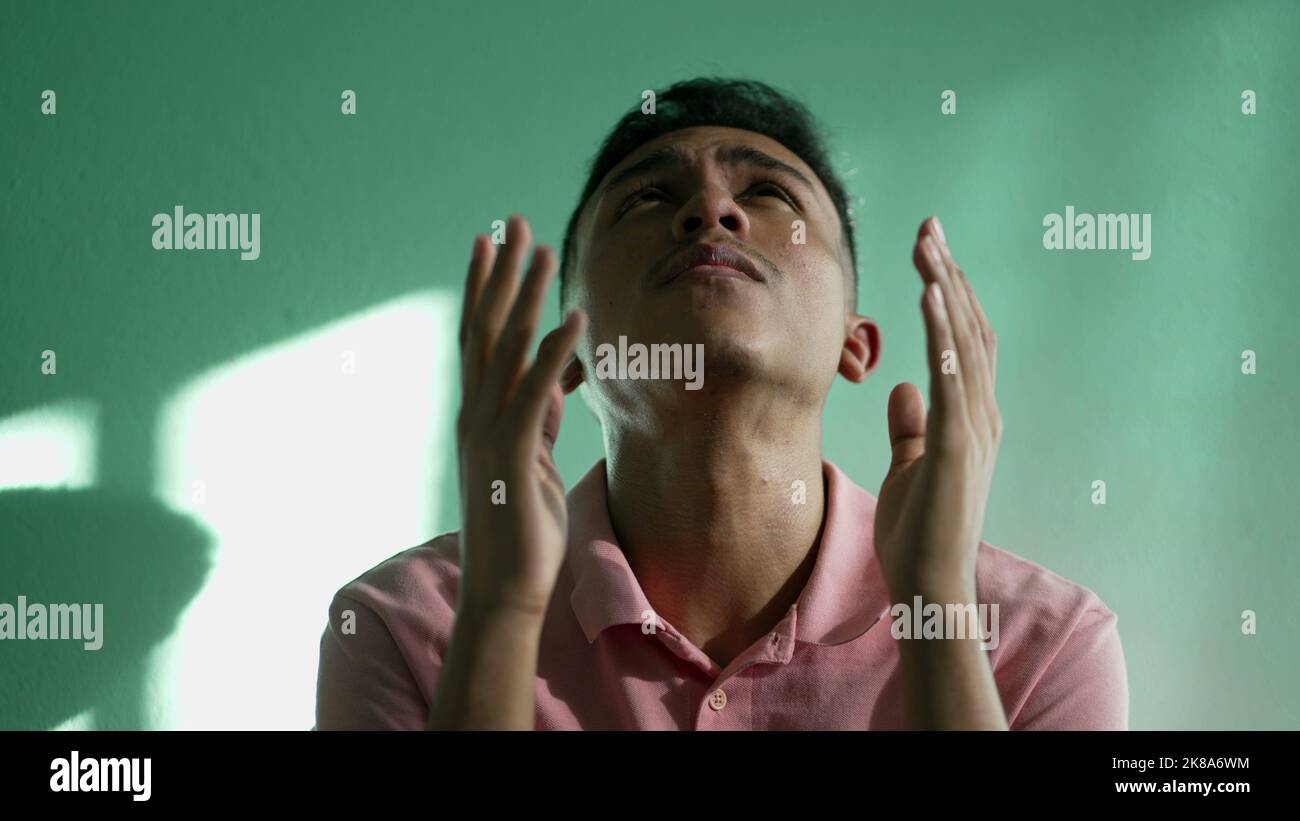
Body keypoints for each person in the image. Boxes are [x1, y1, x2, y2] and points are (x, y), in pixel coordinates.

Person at [314, 77, 1128, 730]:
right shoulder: (404, 627)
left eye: (770, 192)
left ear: (857, 342)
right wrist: (498, 613)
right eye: (644, 200)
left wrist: (937, 605)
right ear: (574, 345)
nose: (710, 211)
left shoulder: (1042, 646)